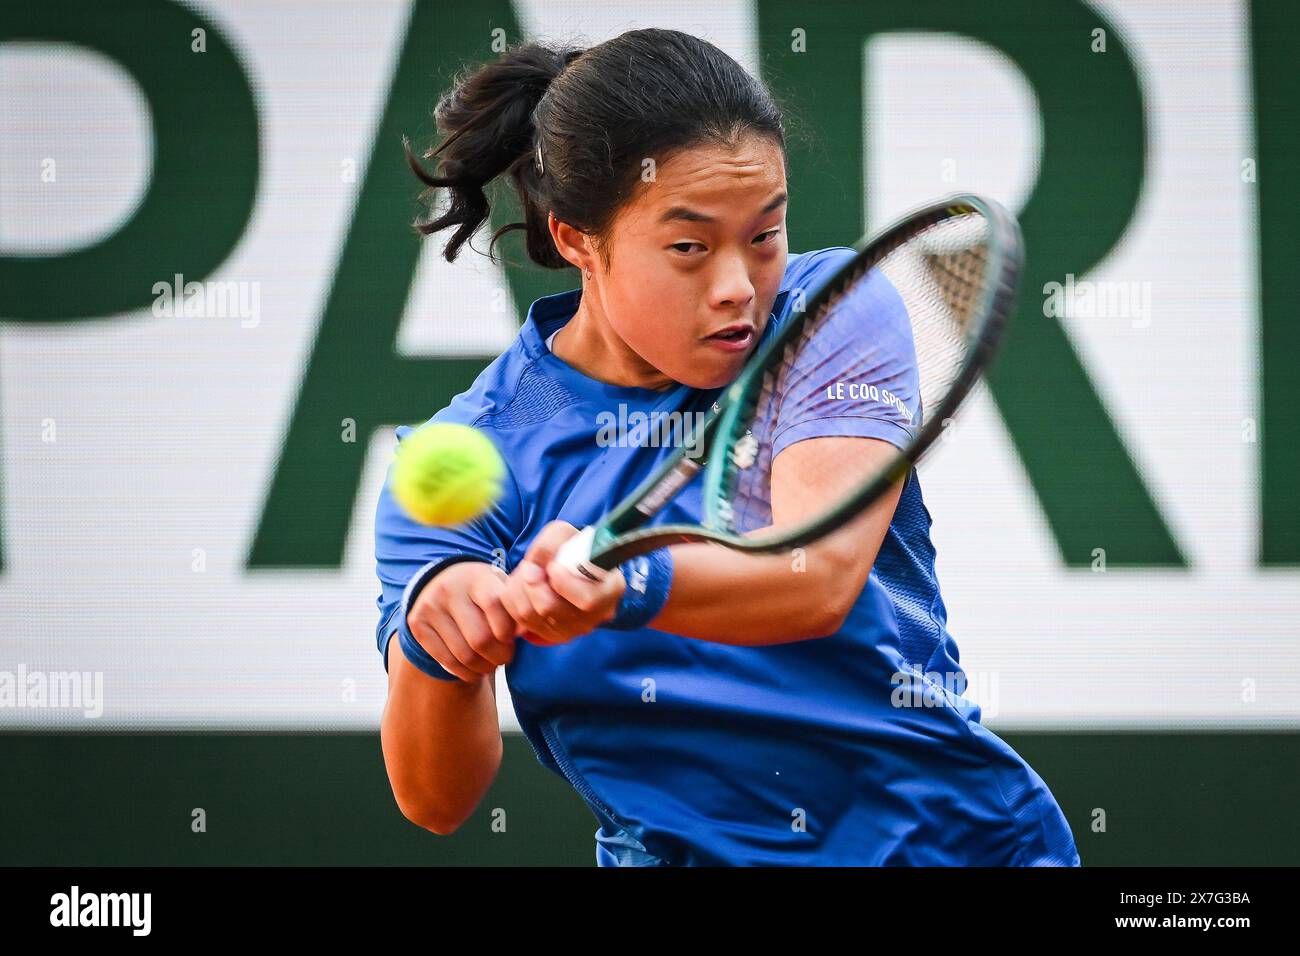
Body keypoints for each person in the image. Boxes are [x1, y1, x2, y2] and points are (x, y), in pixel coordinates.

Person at [374, 27, 1080, 867]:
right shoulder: (473, 453)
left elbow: (814, 578)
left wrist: (623, 585)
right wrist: (439, 640)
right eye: (689, 247)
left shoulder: (831, 314)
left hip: (949, 851)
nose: (739, 288)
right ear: (576, 240)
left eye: (765, 235)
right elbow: (436, 800)